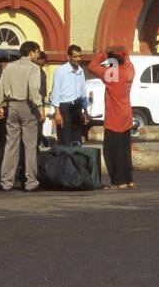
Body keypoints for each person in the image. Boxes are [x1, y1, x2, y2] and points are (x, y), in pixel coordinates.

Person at [0, 40, 47, 191]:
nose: (38, 55)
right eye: (37, 52)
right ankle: (31, 182)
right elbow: (34, 88)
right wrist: (40, 107)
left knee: (11, 145)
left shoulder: (9, 66)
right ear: (32, 52)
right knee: (30, 146)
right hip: (28, 106)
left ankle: (6, 182)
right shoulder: (34, 68)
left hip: (12, 105)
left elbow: (1, 87)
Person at [88, 45, 136, 189]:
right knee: (125, 150)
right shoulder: (129, 71)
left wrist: (103, 53)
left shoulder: (111, 74)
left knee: (111, 151)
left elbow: (91, 66)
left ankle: (119, 181)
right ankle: (129, 180)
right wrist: (120, 52)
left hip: (114, 118)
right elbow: (127, 59)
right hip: (126, 115)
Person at [50, 44, 89, 147]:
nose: (78, 59)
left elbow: (83, 91)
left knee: (76, 138)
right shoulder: (61, 71)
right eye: (75, 56)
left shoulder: (81, 71)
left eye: (79, 56)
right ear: (69, 57)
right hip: (65, 107)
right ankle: (64, 161)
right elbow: (55, 92)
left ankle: (75, 161)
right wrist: (57, 113)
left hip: (77, 107)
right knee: (65, 138)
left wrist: (85, 111)